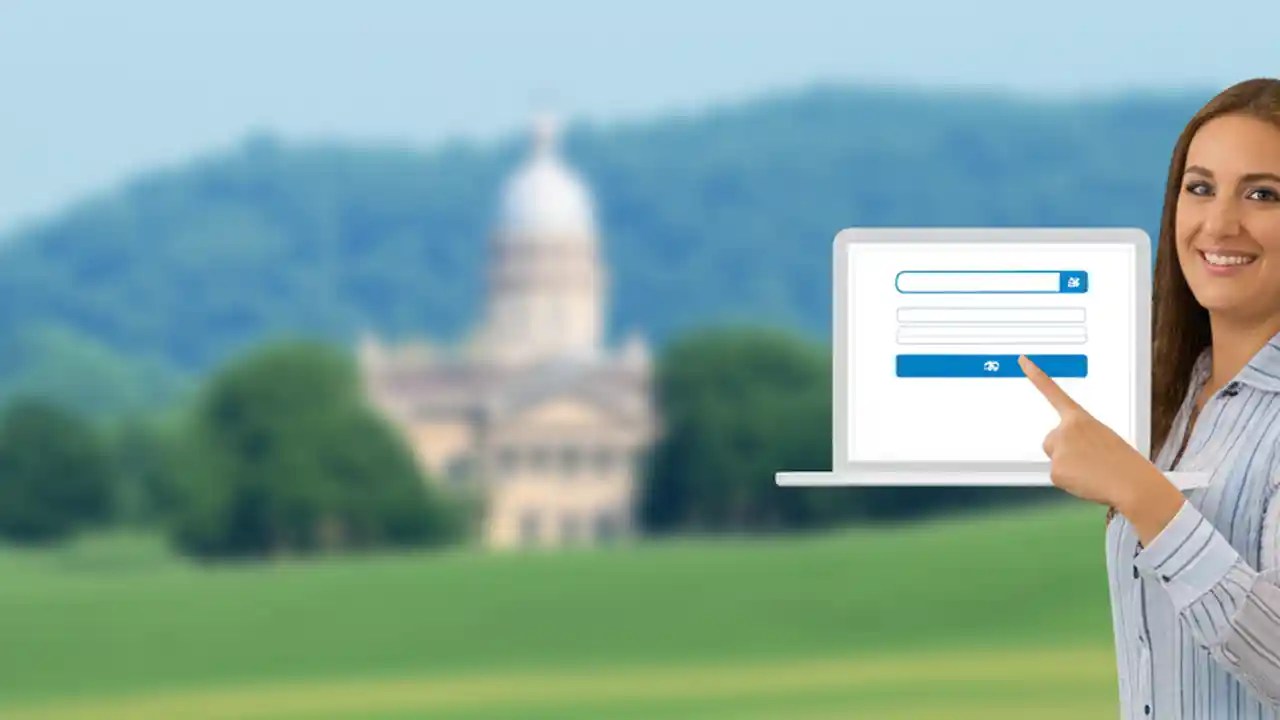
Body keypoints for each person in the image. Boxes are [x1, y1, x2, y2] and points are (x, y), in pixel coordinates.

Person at [1018, 77, 1280, 718]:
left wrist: (1143, 494)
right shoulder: (1175, 397)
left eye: (1263, 194)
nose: (1220, 223)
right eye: (1200, 188)